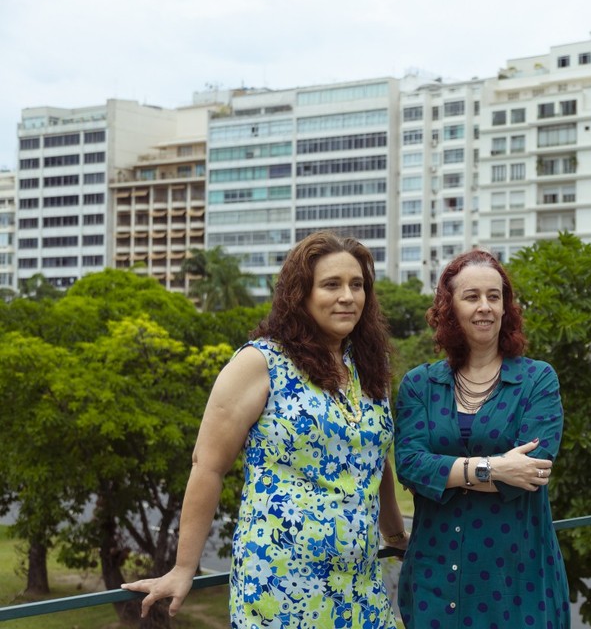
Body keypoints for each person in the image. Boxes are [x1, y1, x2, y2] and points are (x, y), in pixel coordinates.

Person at [122, 230, 409, 628]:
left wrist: (396, 536)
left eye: (357, 285)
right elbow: (207, 465)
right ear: (301, 294)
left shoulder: (369, 368)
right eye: (331, 285)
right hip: (281, 584)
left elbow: (374, 461)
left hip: (359, 584)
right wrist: (183, 568)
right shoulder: (261, 362)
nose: (348, 296)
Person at [394, 249, 570, 629]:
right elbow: (409, 465)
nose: (485, 307)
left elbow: (531, 475)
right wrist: (495, 468)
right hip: (434, 580)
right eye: (471, 297)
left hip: (515, 581)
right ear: (449, 307)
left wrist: (444, 474)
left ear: (507, 307)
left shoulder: (537, 380)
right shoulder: (419, 385)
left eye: (494, 296)